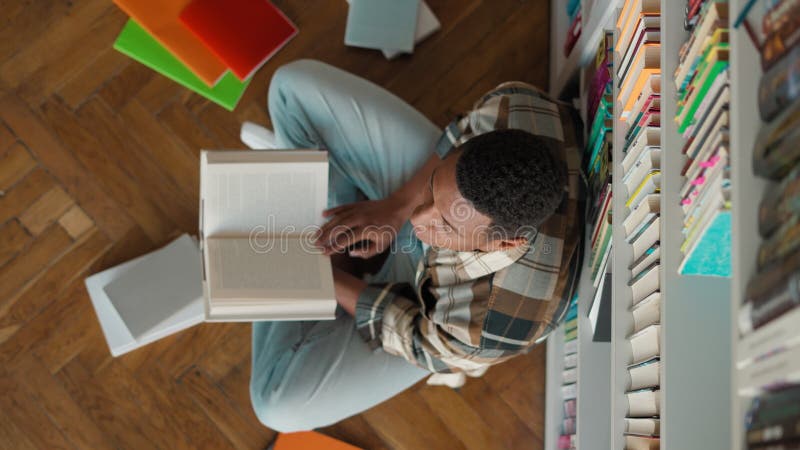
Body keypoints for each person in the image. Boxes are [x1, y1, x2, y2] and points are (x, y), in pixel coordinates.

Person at [248, 59, 586, 432]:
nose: (419, 221)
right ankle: (336, 204)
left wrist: (320, 278)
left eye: (444, 225)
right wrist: (395, 208)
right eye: (433, 192)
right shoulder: (512, 108)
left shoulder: (487, 328)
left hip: (430, 314)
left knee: (276, 406)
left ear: (501, 243)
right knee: (290, 86)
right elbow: (453, 142)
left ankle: (324, 214)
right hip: (447, 213)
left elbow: (413, 335)